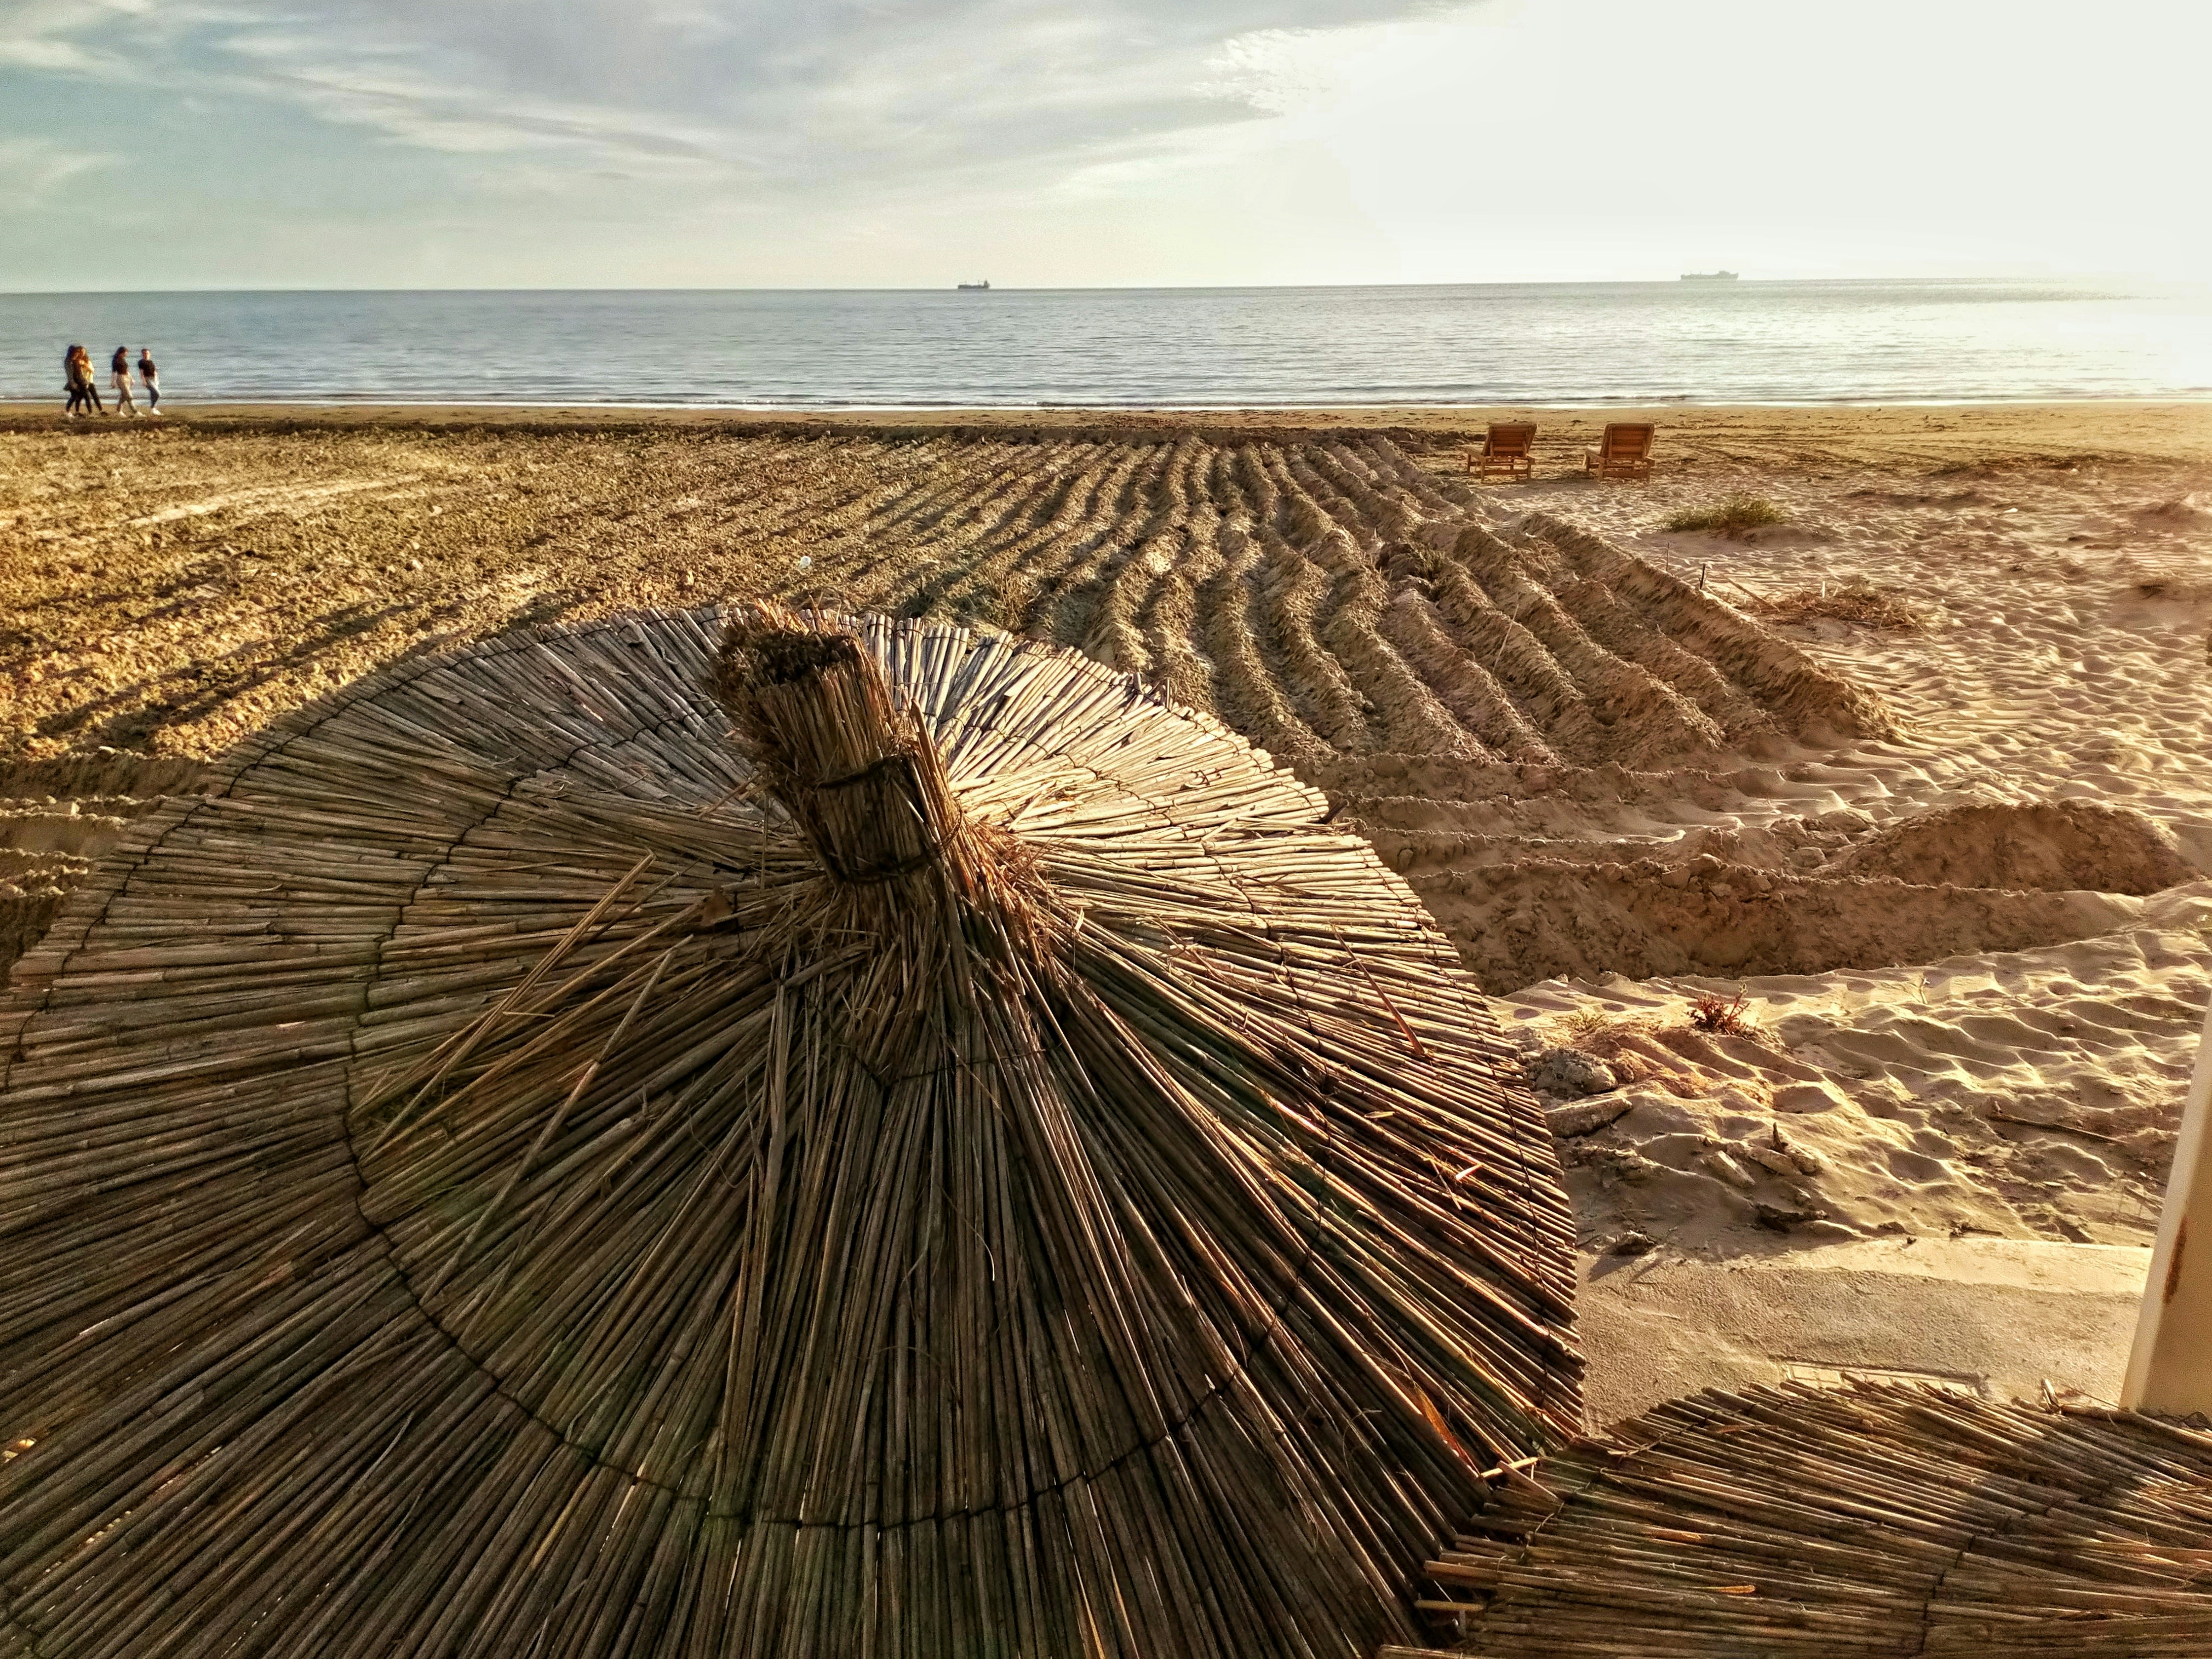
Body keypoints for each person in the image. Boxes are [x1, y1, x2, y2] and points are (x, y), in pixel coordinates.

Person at [109, 346, 137, 416]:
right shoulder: (115, 360)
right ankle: (135, 412)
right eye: (126, 352)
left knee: (124, 396)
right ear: (121, 353)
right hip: (121, 378)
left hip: (127, 377)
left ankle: (119, 410)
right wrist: (113, 382)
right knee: (129, 395)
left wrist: (131, 379)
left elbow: (127, 371)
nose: (126, 354)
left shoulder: (123, 359)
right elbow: (114, 372)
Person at [137, 347, 160, 415]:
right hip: (147, 379)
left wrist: (156, 380)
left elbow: (155, 372)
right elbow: (142, 372)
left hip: (154, 379)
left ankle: (153, 409)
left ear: (149, 354)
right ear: (142, 354)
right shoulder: (141, 362)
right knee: (158, 394)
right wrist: (143, 381)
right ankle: (152, 408)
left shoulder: (151, 362)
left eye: (147, 353)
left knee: (153, 394)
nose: (146, 354)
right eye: (144, 353)